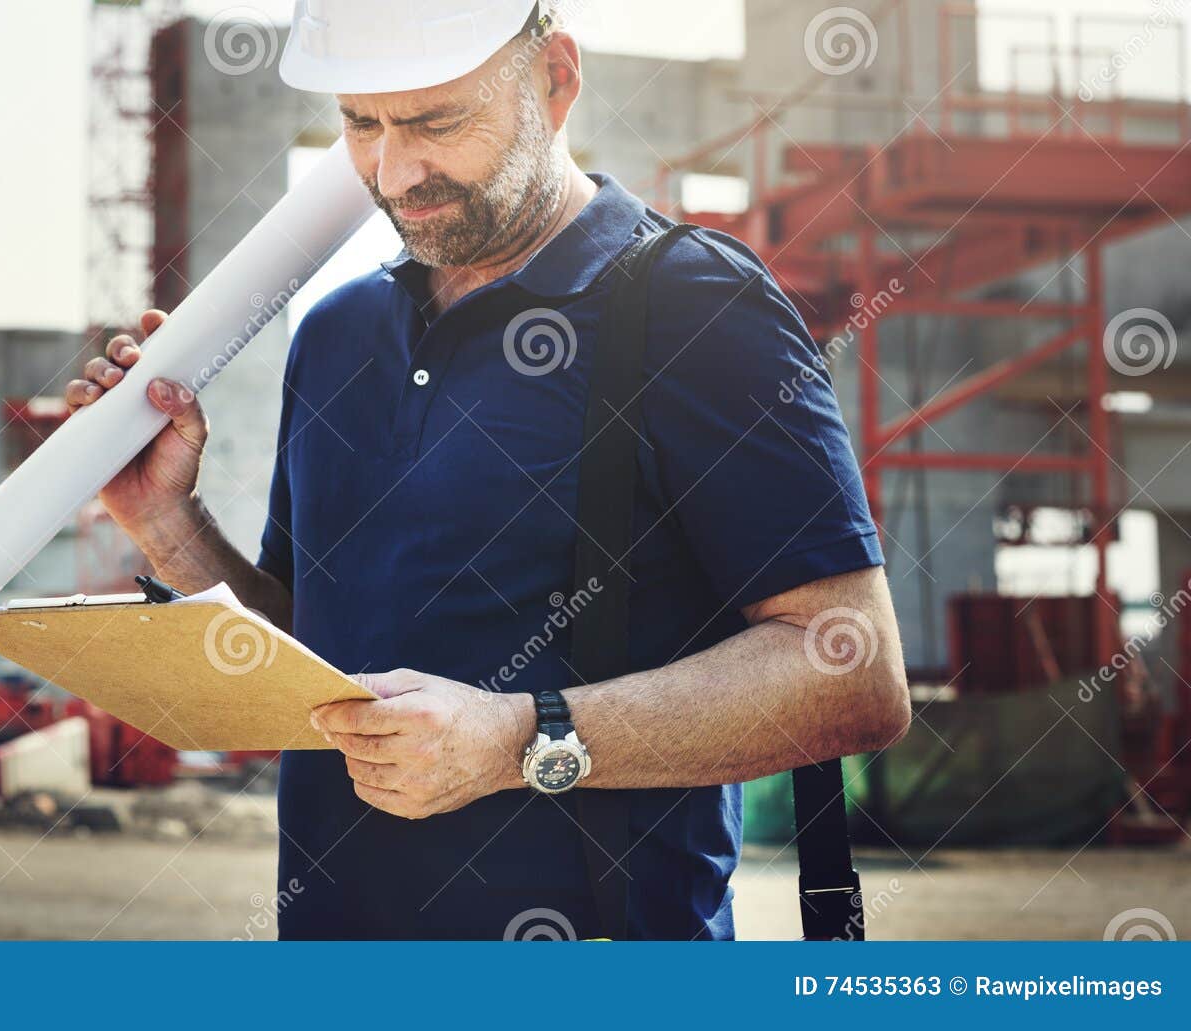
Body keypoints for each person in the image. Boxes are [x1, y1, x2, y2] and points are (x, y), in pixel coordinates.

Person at [65, 0, 909, 939]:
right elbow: (313, 655)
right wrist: (166, 521)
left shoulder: (696, 308)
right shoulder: (337, 334)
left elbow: (854, 673)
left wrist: (519, 740)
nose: (394, 172)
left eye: (437, 121)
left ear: (556, 79)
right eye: (362, 124)